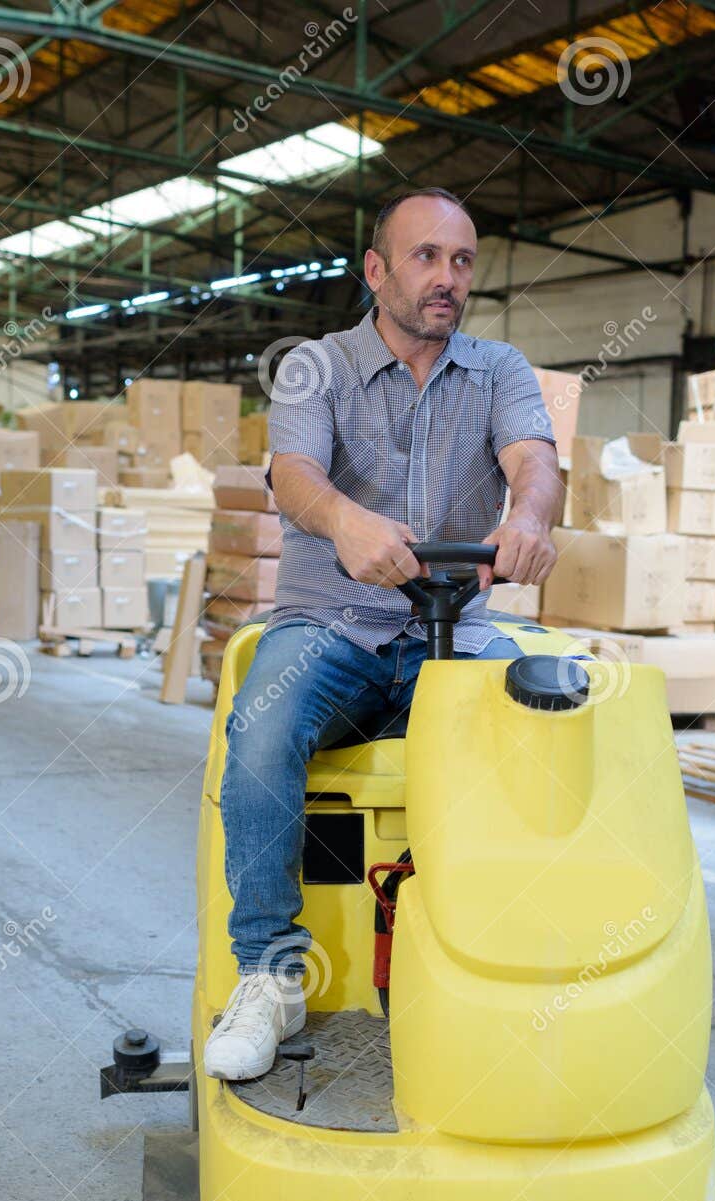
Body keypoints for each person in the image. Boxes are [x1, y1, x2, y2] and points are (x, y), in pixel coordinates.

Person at [205, 185, 563, 1081]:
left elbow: (536, 462)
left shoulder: (499, 369)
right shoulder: (314, 369)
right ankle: (270, 972)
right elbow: (292, 476)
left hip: (456, 629)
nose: (447, 279)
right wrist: (345, 522)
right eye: (426, 258)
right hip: (332, 628)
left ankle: (508, 958)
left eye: (463, 261)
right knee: (260, 732)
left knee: (549, 728)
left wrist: (529, 519)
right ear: (376, 270)